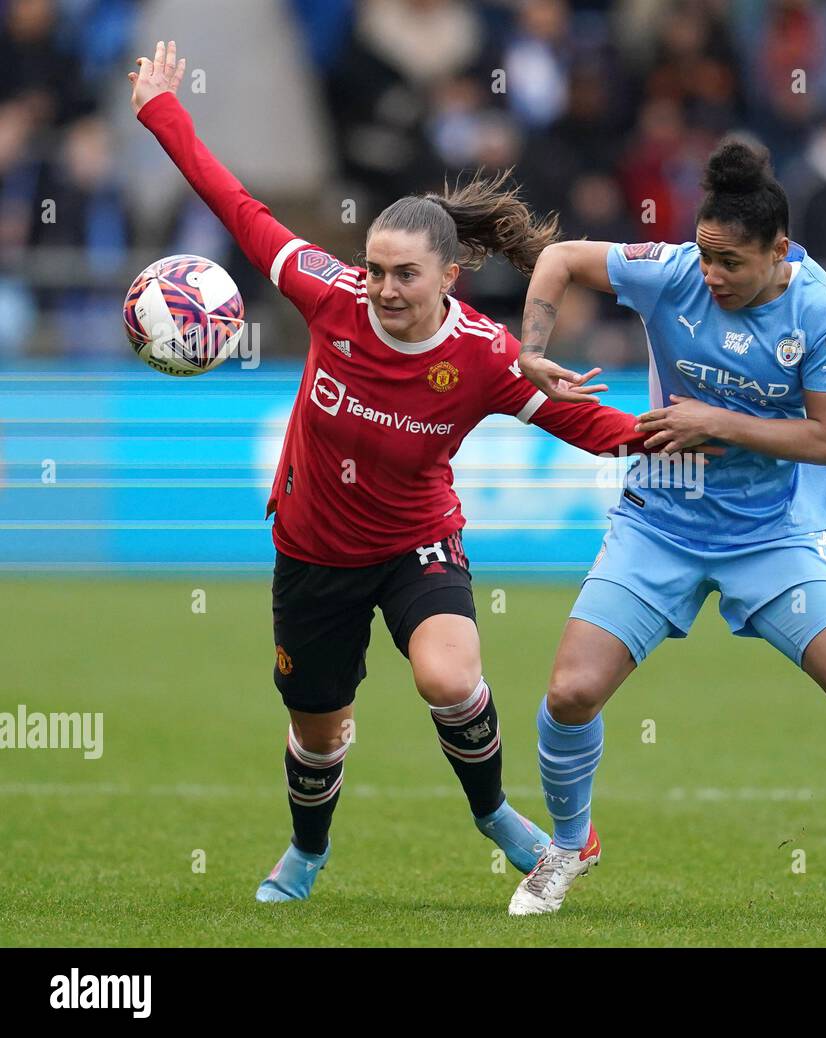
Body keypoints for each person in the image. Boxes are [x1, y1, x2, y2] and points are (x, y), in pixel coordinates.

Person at [128, 41, 653, 901]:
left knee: (449, 677)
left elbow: (592, 427)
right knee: (320, 733)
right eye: (375, 269)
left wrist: (697, 432)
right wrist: (160, 111)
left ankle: (493, 814)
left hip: (416, 544)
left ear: (450, 275)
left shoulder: (486, 356)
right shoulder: (324, 291)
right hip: (312, 552)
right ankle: (307, 851)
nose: (383, 289)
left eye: (405, 274)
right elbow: (234, 201)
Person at [506, 139, 826, 915]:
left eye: (729, 263)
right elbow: (562, 257)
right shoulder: (671, 271)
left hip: (770, 533)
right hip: (659, 522)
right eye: (704, 257)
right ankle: (568, 845)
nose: (709, 276)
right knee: (569, 693)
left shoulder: (823, 310)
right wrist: (531, 350)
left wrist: (718, 423)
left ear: (779, 251)